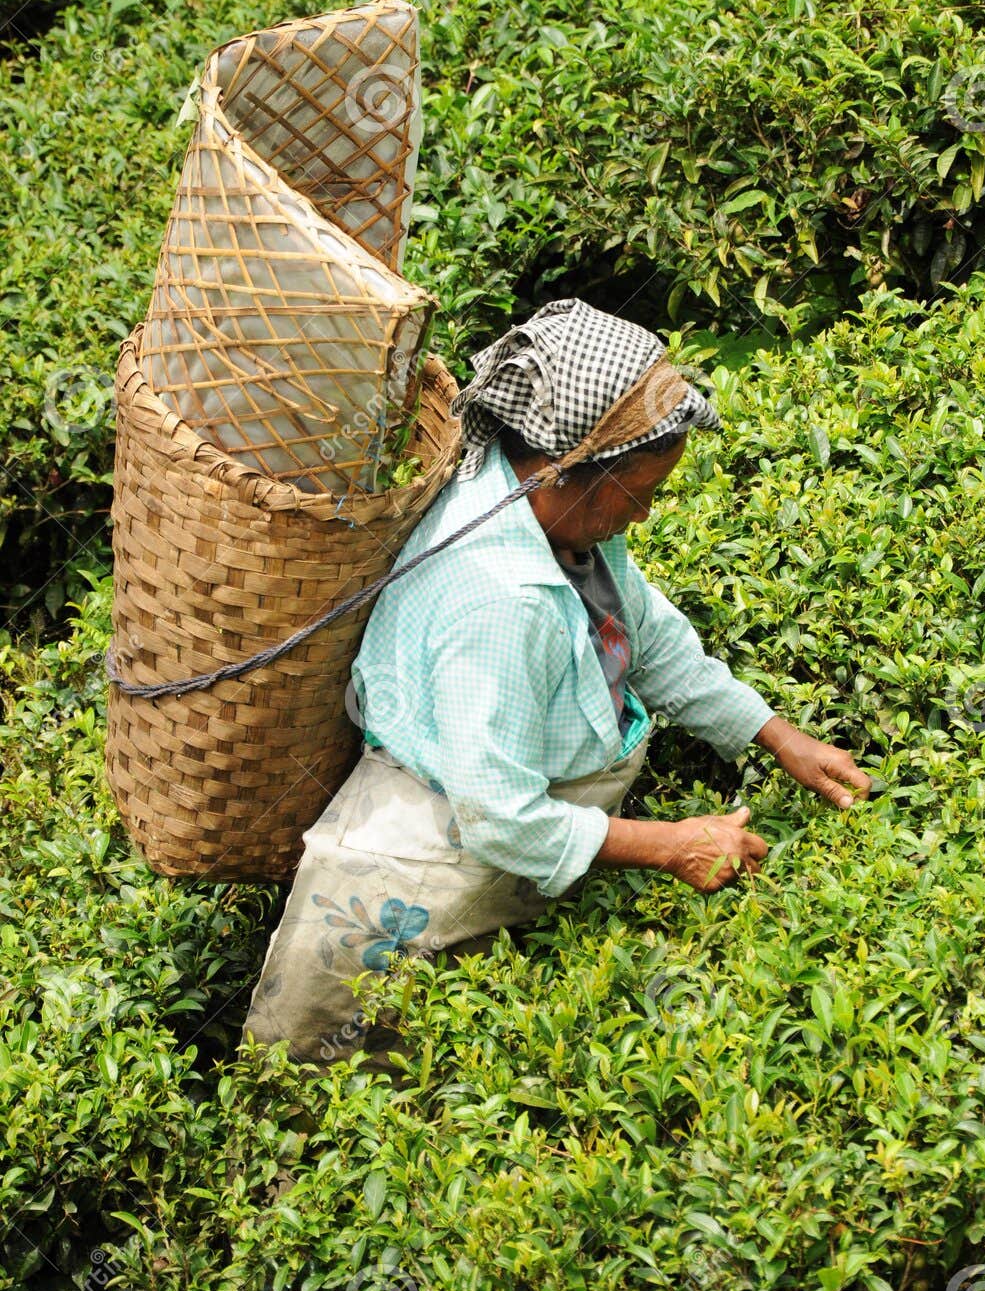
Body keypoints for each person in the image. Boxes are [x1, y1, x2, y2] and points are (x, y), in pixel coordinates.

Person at [242, 299, 870, 1063]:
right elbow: (503, 818)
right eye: (639, 492)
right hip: (414, 877)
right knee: (332, 1073)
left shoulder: (552, 518)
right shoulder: (499, 600)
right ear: (569, 469)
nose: (642, 515)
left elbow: (650, 641)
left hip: (494, 842)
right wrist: (672, 844)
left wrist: (775, 735)